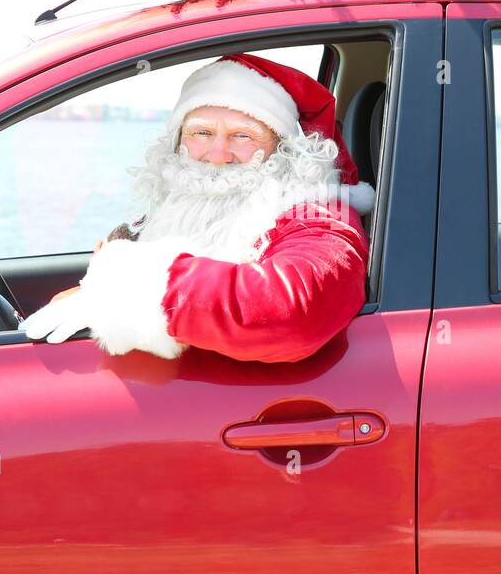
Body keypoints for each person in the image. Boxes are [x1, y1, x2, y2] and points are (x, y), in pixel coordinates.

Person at [19, 52, 376, 362]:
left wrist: (136, 283)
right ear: (177, 142)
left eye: (243, 136)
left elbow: (294, 311)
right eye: (202, 133)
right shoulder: (173, 204)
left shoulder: (314, 212)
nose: (218, 155)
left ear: (282, 147)